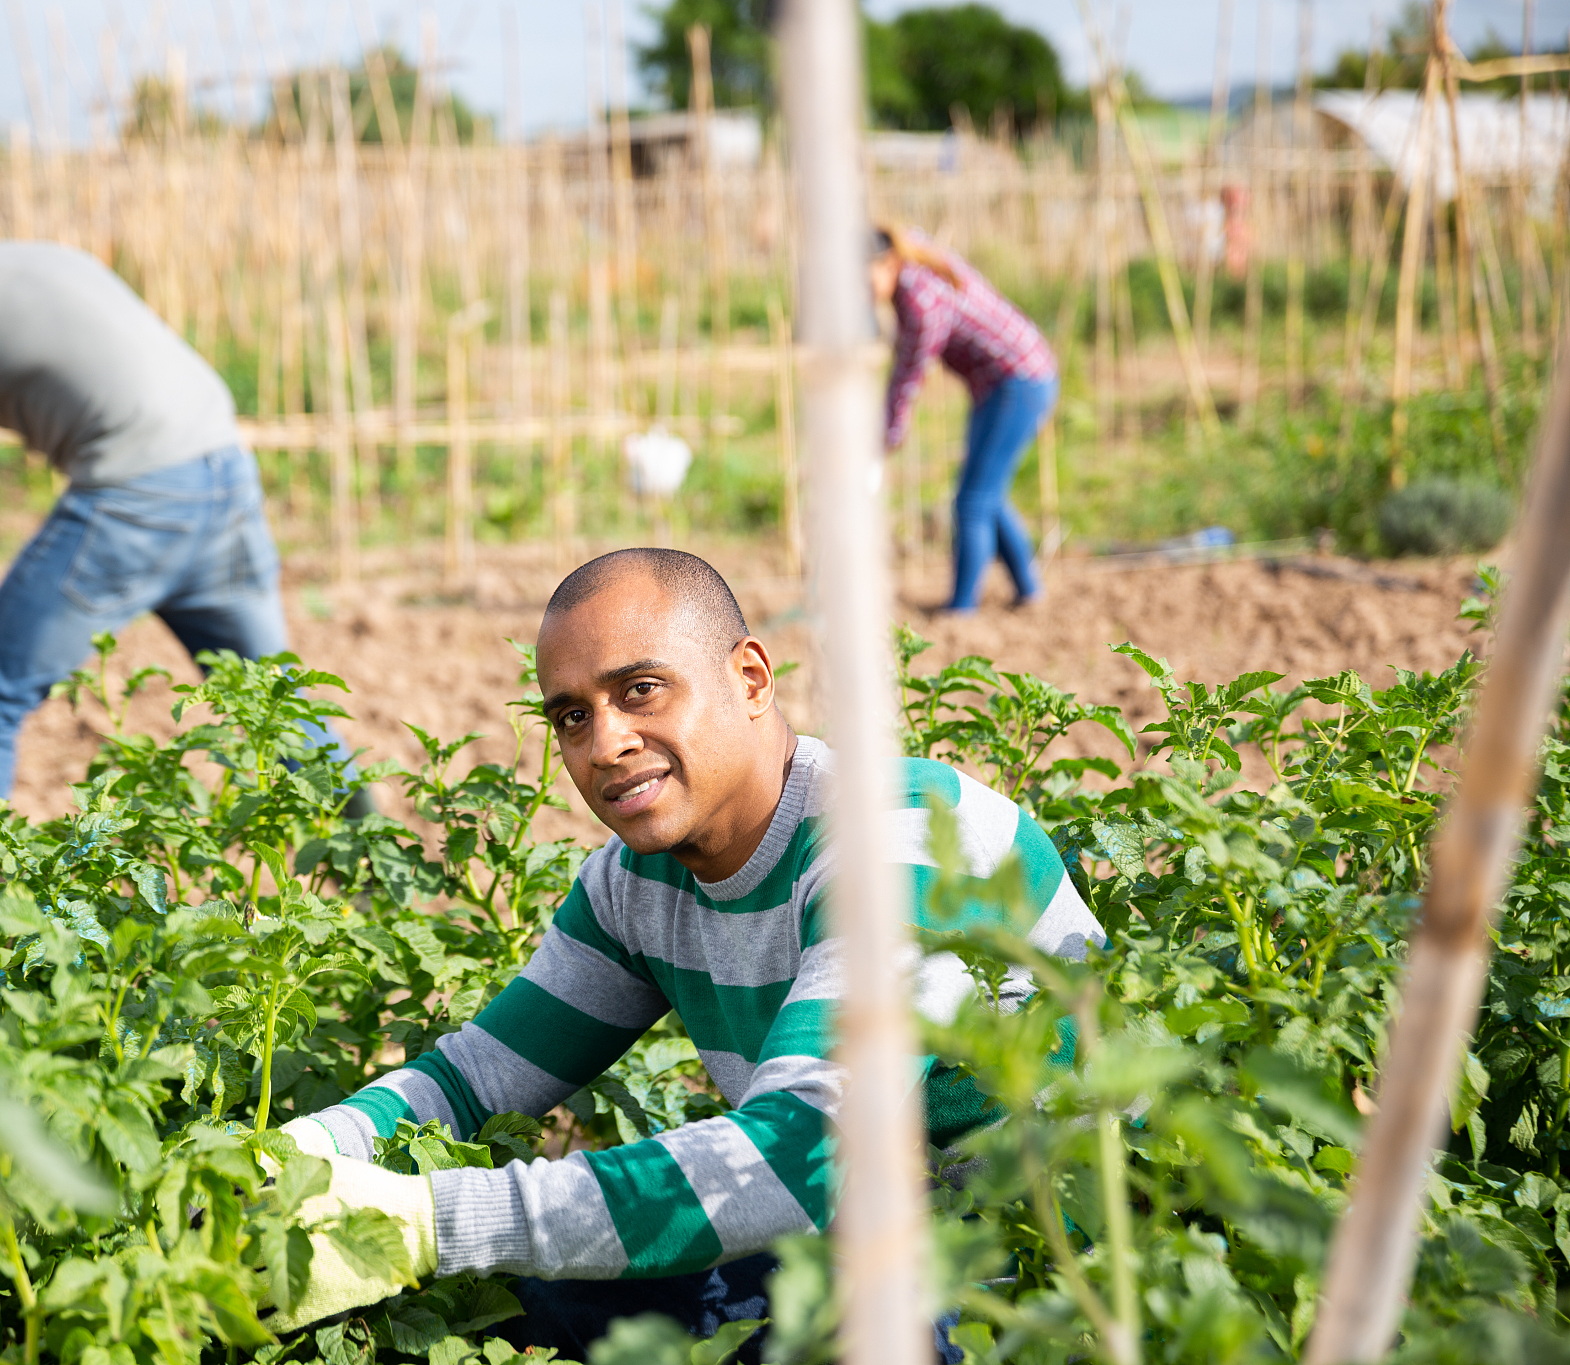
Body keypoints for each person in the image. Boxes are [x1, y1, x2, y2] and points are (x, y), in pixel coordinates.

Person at [267, 548, 1105, 1360]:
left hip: (1048, 1276)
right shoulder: (636, 886)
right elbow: (471, 1079)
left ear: (750, 678)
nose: (605, 743)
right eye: (571, 716)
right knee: (534, 1305)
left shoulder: (904, 839)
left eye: (640, 690)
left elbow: (797, 1156)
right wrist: (293, 1156)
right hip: (855, 1243)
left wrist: (428, 1220)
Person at [0, 161, 354, 808]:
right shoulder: (36, 258)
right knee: (274, 706)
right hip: (221, 468)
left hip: (138, 493)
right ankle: (379, 885)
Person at [874, 225, 1058, 615]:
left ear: (887, 263)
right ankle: (1030, 591)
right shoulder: (911, 260)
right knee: (987, 495)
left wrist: (888, 434)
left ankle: (961, 608)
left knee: (972, 502)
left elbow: (909, 373)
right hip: (1003, 384)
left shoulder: (921, 299)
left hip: (1020, 381)